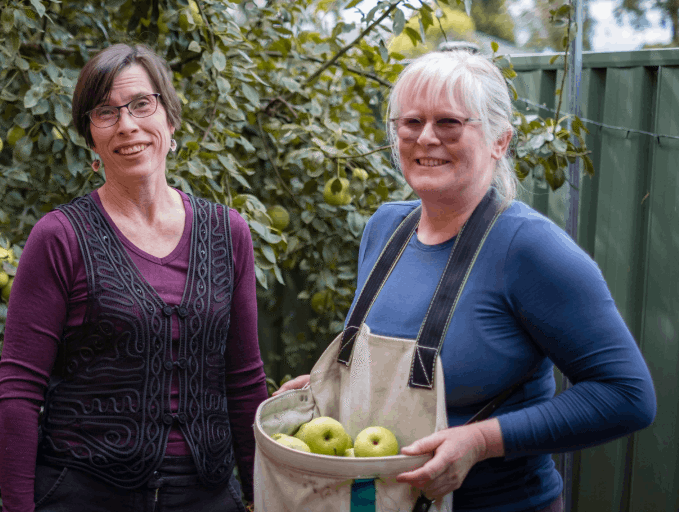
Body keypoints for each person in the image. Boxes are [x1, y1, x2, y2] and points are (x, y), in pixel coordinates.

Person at [274, 49, 656, 512]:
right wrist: (333, 389)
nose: (426, 138)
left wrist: (480, 441)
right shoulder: (385, 228)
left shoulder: (530, 248)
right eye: (411, 122)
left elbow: (627, 395)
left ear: (500, 140)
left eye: (449, 123)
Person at [0, 43, 267, 512]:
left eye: (142, 103)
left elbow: (245, 384)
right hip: (84, 493)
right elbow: (19, 393)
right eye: (106, 112)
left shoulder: (228, 233)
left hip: (207, 496)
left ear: (170, 119)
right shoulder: (60, 237)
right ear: (91, 137)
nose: (126, 125)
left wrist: (263, 497)